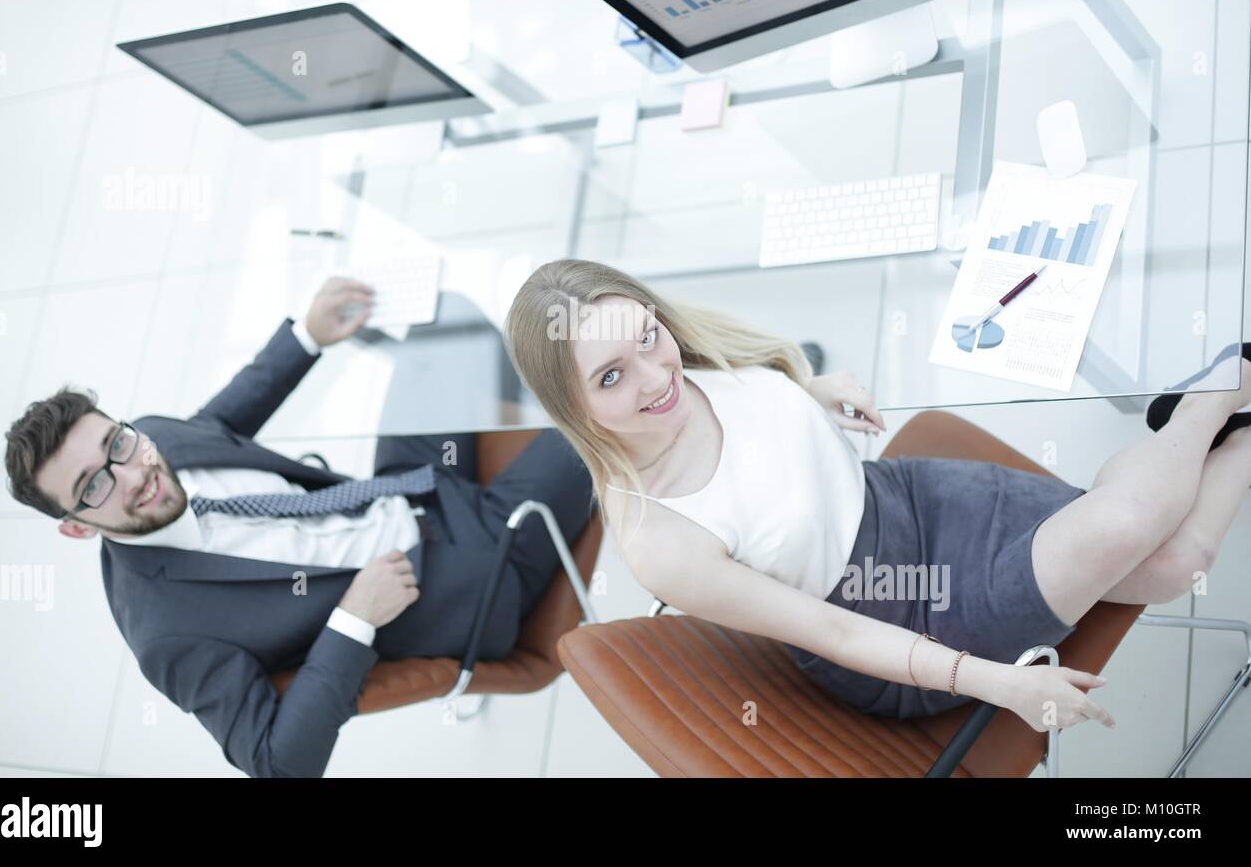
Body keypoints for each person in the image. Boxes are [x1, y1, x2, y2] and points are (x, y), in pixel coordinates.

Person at [503, 258, 1251, 734]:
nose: (655, 377)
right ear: (573, 408)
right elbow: (835, 635)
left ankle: (1223, 415)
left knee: (1175, 562)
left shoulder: (686, 353)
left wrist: (810, 393)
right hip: (887, 615)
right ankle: (1219, 391)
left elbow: (748, 408)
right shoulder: (660, 540)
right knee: (1138, 526)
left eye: (646, 336)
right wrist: (1002, 685)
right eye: (610, 377)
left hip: (910, 500)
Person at [2, 276, 593, 778]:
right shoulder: (167, 636)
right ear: (77, 529)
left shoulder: (150, 439)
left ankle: (542, 425)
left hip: (403, 486)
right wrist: (354, 618)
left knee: (447, 316)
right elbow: (278, 763)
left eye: (117, 444)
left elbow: (213, 425)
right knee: (592, 406)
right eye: (93, 486)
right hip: (465, 572)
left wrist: (307, 336)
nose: (134, 475)